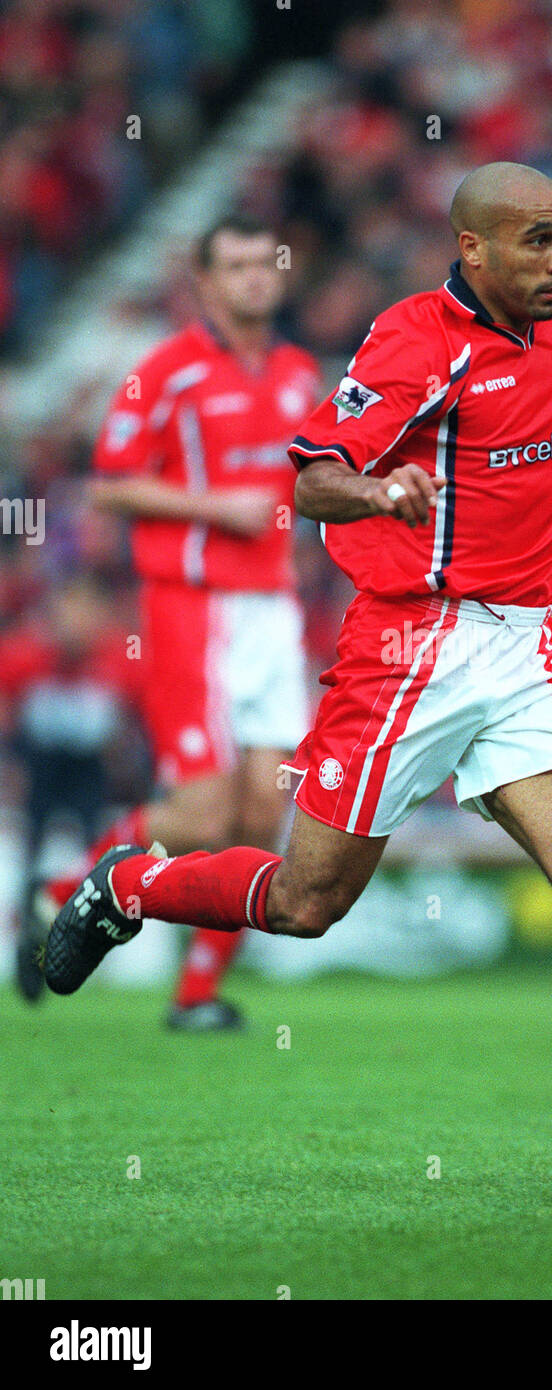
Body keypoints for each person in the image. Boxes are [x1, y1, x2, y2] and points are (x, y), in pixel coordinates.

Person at [44, 163, 552, 1198]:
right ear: (471, 249)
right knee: (304, 901)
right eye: (536, 242)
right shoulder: (411, 340)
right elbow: (317, 474)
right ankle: (128, 883)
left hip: (518, 644)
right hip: (407, 650)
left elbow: (506, 451)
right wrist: (382, 490)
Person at [28, 214, 321, 1030]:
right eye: (236, 264)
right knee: (200, 813)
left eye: (266, 260)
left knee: (265, 815)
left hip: (273, 610)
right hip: (193, 607)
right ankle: (71, 896)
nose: (256, 277)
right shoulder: (165, 371)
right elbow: (108, 481)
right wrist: (210, 505)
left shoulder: (299, 371)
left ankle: (193, 994)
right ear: (204, 280)